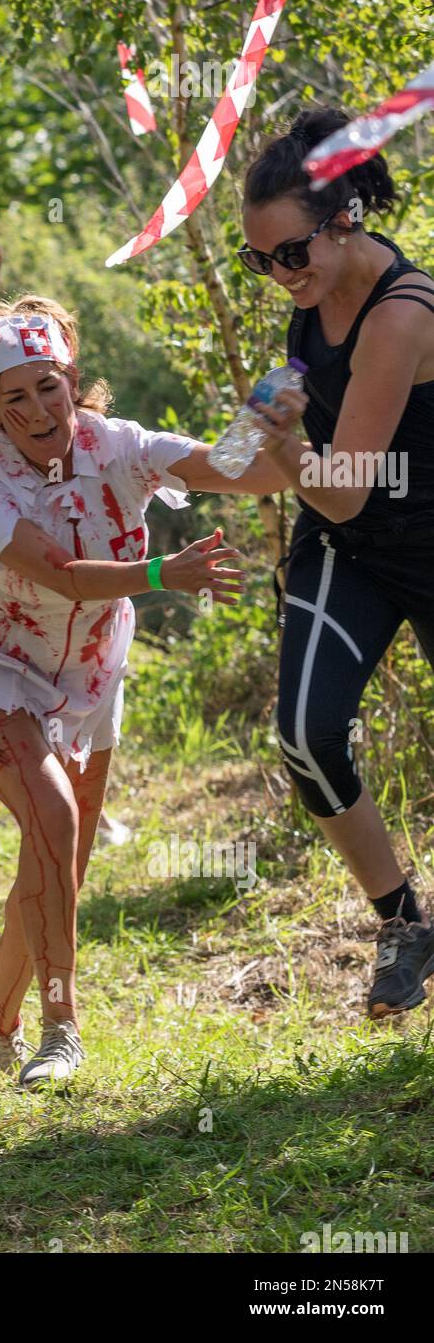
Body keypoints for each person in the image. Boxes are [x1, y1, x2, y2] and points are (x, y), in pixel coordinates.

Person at [0, 296, 294, 1089]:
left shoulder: (119, 447)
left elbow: (234, 466)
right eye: (13, 397)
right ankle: (62, 1031)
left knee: (64, 852)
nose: (36, 410)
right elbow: (58, 572)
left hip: (87, 668)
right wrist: (167, 573)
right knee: (51, 816)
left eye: (47, 387)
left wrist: (280, 408)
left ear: (72, 382)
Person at [237, 108, 434, 1018]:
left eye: (291, 254)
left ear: (343, 217)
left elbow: (346, 483)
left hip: (416, 539)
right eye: (262, 262)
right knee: (308, 736)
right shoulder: (312, 301)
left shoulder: (404, 312)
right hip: (344, 548)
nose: (282, 277)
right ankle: (402, 921)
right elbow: (332, 498)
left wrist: (280, 448)